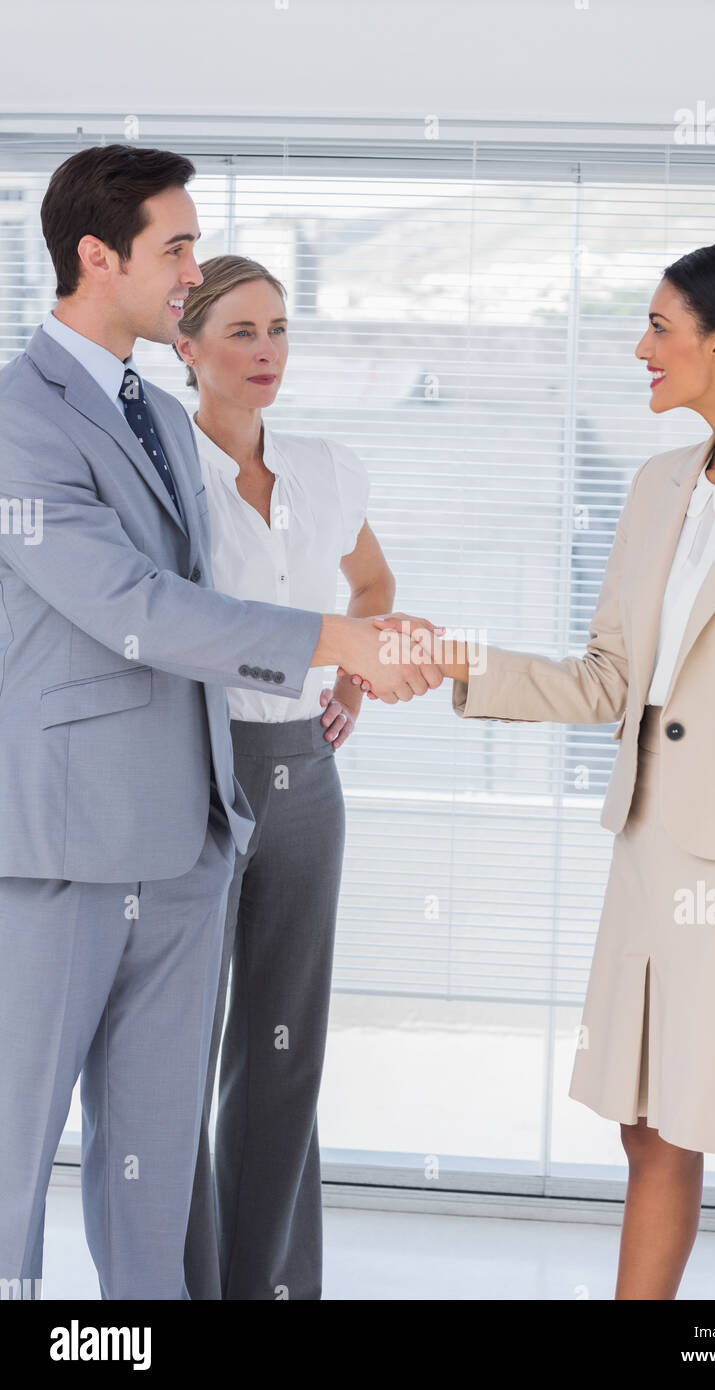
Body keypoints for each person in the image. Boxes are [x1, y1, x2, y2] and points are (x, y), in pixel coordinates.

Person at [354, 243, 715, 1300]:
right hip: (644, 860)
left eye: (658, 326)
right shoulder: (652, 487)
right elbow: (604, 684)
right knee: (646, 1135)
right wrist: (459, 656)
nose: (640, 349)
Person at [0, 144, 439, 1300]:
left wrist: (352, 646)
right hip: (66, 841)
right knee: (16, 1156)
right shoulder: (18, 417)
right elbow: (130, 606)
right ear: (98, 258)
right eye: (178, 249)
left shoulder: (149, 405)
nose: (193, 274)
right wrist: (336, 642)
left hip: (198, 828)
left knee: (148, 1183)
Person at [174, 254, 394, 1300]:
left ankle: (269, 1286)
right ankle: (186, 1287)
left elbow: (372, 581)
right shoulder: (159, 467)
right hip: (189, 769)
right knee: (174, 1051)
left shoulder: (324, 465)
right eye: (240, 333)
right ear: (186, 348)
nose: (266, 354)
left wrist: (350, 663)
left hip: (304, 774)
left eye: (278, 331)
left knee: (283, 1049)